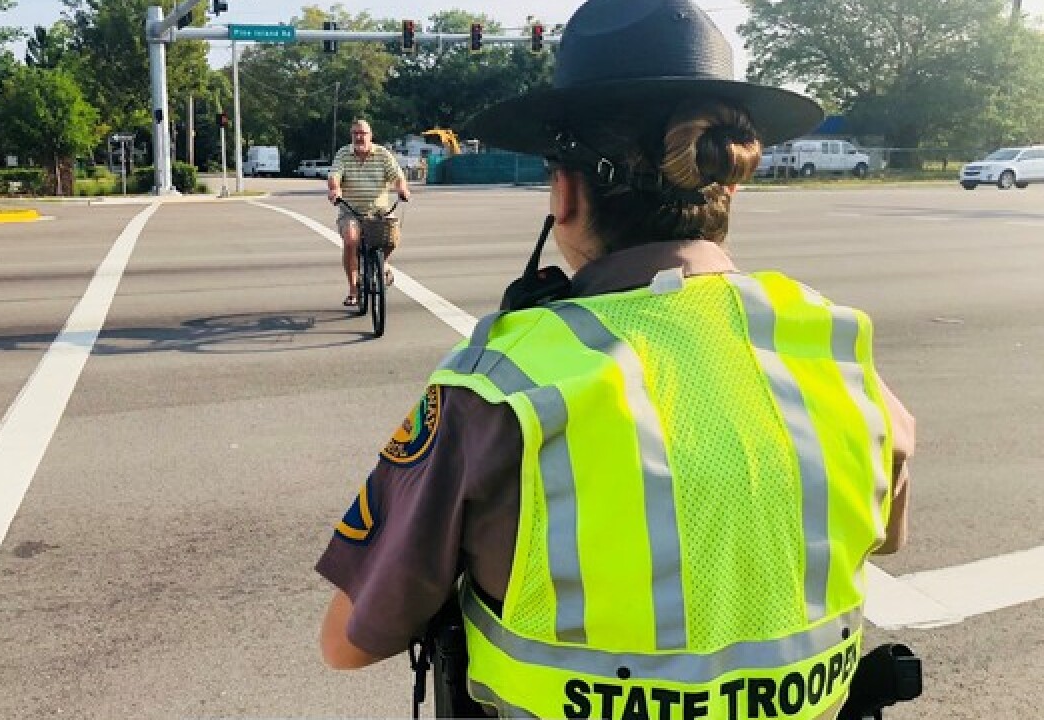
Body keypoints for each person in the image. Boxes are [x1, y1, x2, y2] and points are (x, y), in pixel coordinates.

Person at [315, 0, 916, 718]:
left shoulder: (505, 386)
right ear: (725, 184)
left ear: (565, 193)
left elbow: (348, 640)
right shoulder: (835, 347)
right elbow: (887, 535)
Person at [327, 119, 411, 307]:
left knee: (392, 237)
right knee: (350, 241)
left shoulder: (382, 154)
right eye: (355, 133)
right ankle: (353, 290)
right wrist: (335, 190)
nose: (359, 137)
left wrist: (402, 189)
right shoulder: (343, 154)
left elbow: (397, 176)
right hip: (351, 211)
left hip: (379, 212)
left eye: (363, 133)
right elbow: (335, 176)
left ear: (370, 135)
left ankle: (382, 264)